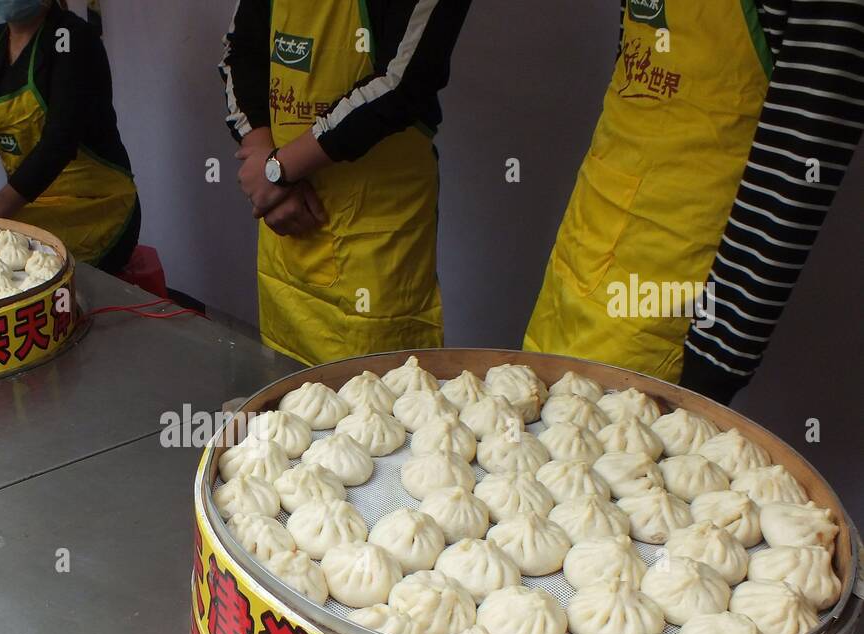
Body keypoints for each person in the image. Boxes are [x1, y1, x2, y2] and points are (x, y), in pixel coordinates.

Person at [524, 0, 864, 404]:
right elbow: (636, 85)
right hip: (580, 249)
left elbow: (801, 157)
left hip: (674, 304)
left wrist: (719, 359)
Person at [219, 0, 472, 366]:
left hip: (374, 250)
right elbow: (240, 51)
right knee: (285, 401)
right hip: (285, 237)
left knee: (378, 406)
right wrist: (261, 153)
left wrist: (279, 169)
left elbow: (404, 80)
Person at [0, 0, 140, 274]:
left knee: (0, 264)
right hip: (31, 204)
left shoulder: (73, 38)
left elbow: (59, 142)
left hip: (94, 206)